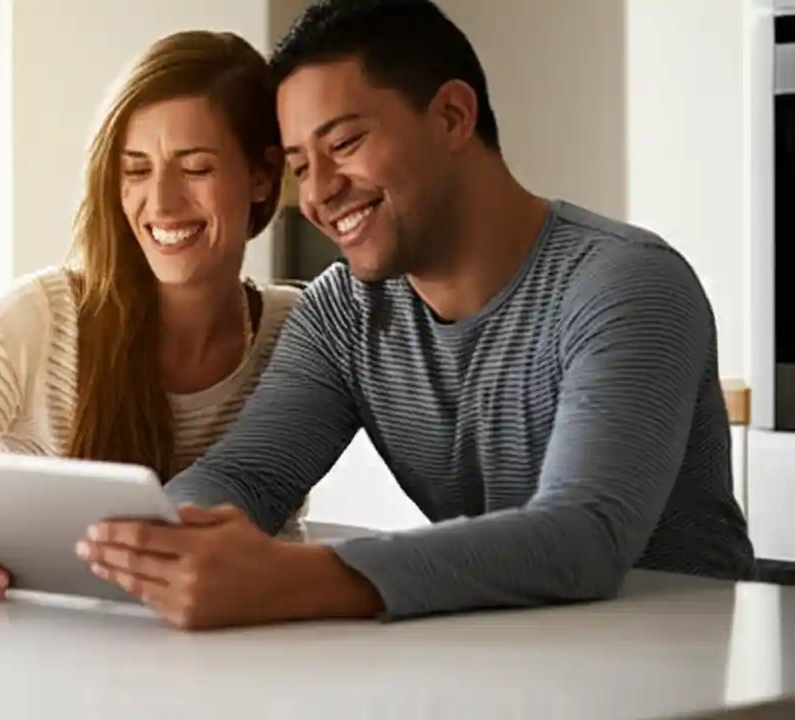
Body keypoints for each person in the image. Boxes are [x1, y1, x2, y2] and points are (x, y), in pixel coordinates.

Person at [77, 0, 756, 629]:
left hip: (688, 665)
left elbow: (585, 537)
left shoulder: (624, 284)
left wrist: (289, 579)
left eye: (343, 145)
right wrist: (120, 547)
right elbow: (246, 477)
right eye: (298, 165)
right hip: (508, 659)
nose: (319, 193)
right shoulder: (343, 312)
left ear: (453, 116)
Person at [0, 30, 302, 600]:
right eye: (137, 170)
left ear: (264, 175)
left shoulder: (297, 332)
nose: (162, 202)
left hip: (239, 658)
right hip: (44, 652)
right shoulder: (41, 321)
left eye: (195, 168)